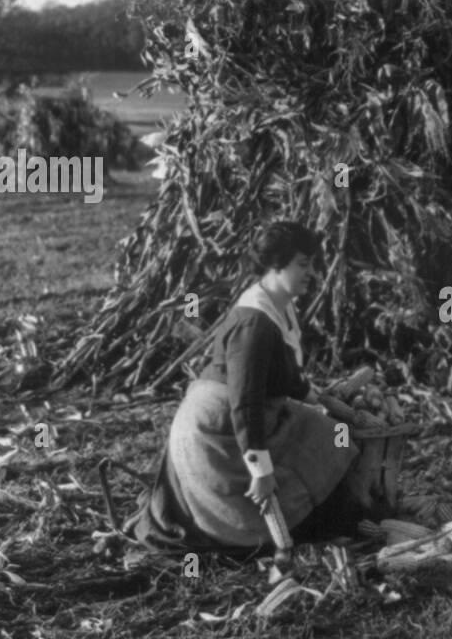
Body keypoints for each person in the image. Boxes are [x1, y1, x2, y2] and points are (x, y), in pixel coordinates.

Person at [126, 222, 374, 558]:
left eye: (312, 264)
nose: (312, 273)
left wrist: (315, 396)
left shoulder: (279, 305)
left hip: (243, 413)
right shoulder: (254, 324)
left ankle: (341, 511)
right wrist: (262, 472)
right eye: (303, 264)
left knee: (324, 428)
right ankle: (300, 525)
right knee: (319, 439)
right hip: (218, 428)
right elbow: (245, 403)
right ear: (276, 266)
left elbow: (282, 371)